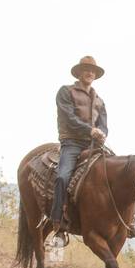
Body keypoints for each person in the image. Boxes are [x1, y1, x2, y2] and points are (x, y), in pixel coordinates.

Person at [52, 55, 108, 233]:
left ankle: (130, 222)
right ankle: (57, 219)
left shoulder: (99, 100)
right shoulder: (66, 92)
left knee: (120, 171)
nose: (89, 73)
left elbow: (104, 125)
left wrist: (102, 134)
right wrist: (90, 130)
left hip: (93, 144)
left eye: (92, 71)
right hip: (72, 142)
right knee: (62, 176)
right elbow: (69, 118)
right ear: (79, 73)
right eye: (86, 69)